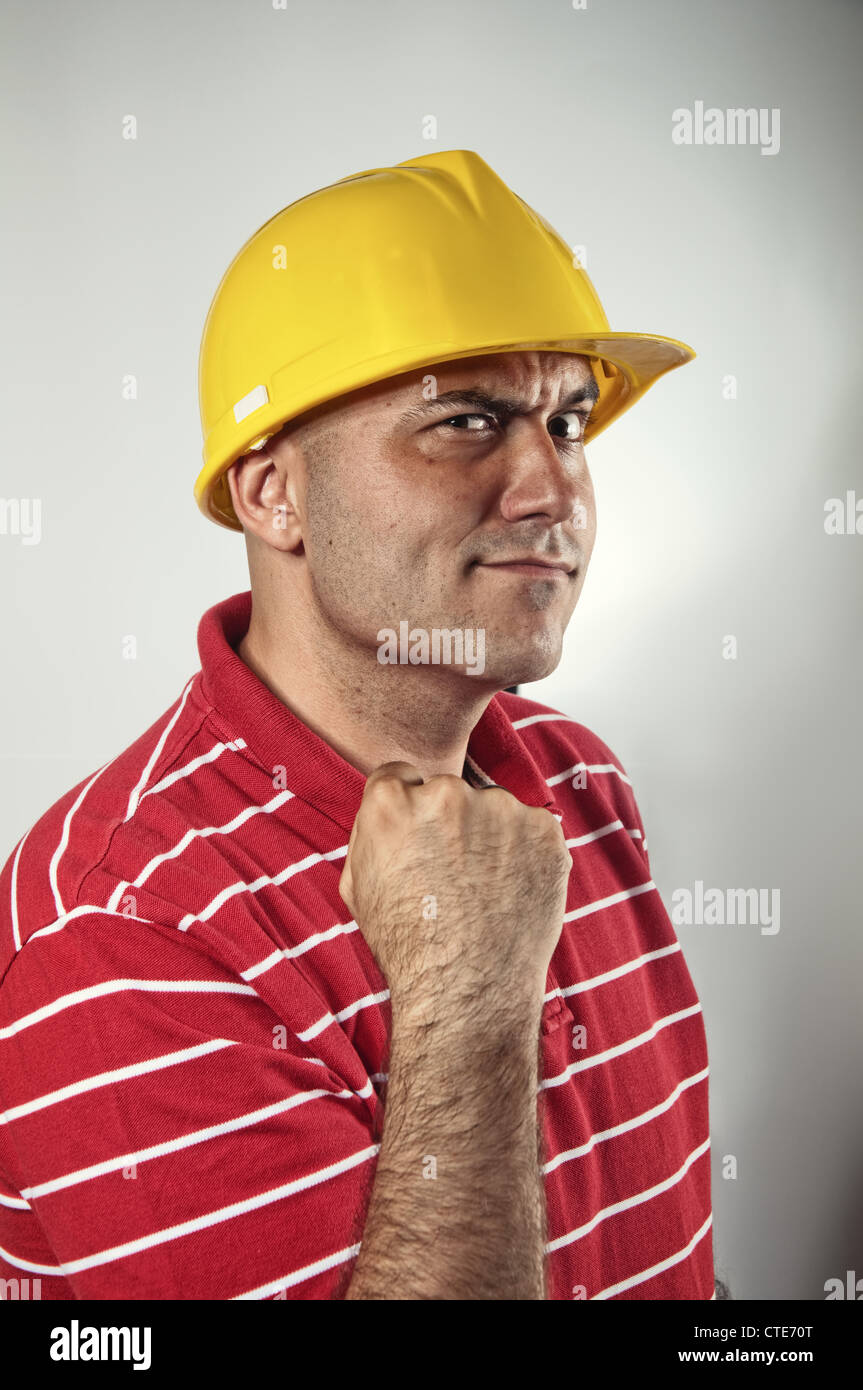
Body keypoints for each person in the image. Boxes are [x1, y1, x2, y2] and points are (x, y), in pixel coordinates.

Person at [0, 150, 722, 1300]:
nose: (553, 488)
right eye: (467, 421)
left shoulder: (579, 780)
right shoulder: (120, 923)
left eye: (568, 420)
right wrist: (469, 999)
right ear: (272, 492)